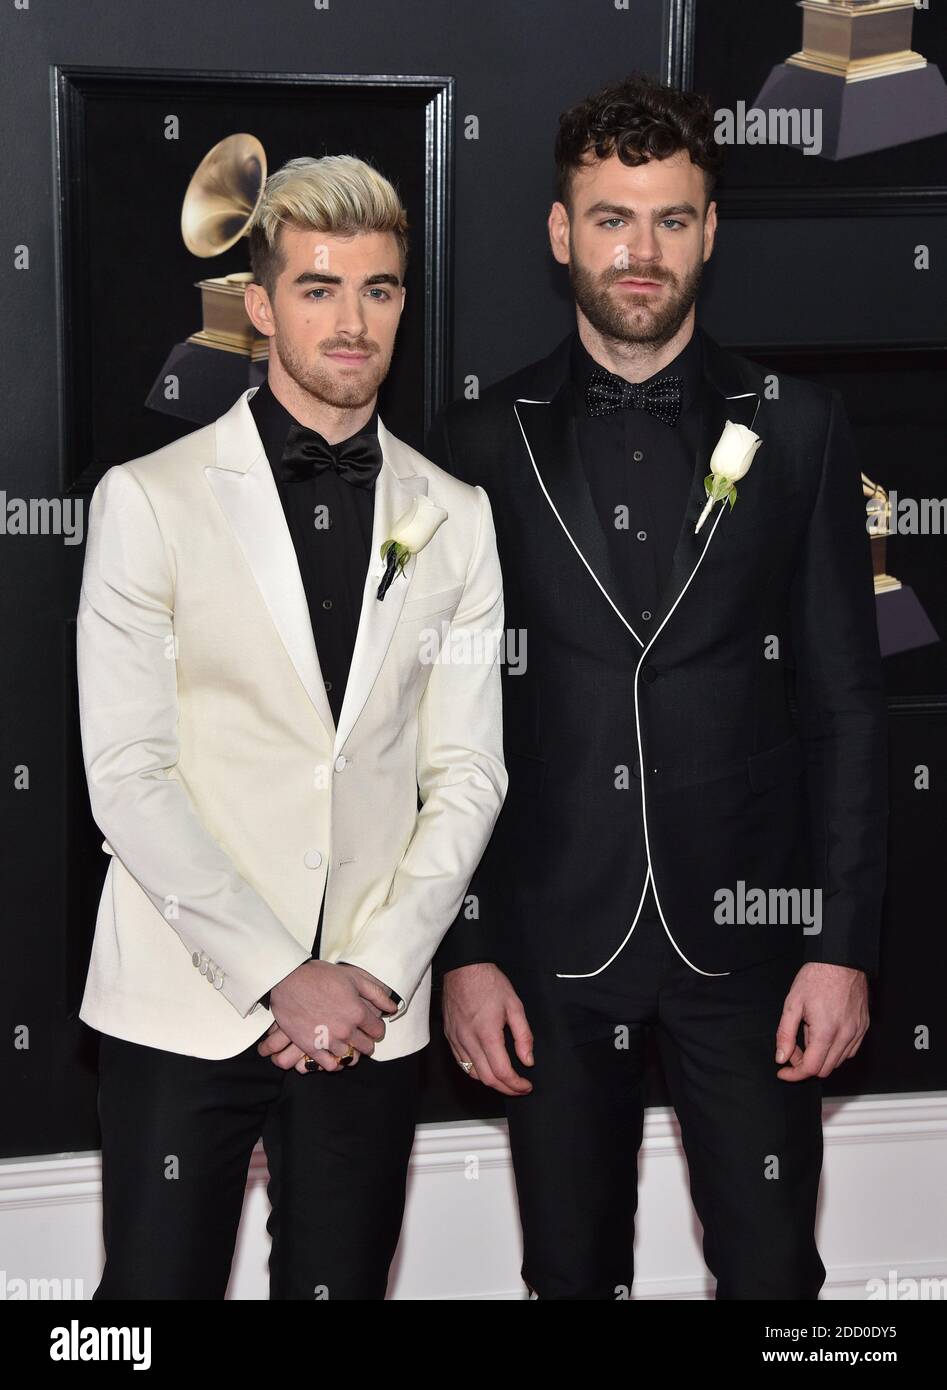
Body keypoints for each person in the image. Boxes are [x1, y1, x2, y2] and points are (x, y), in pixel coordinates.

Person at [429, 74, 887, 1300]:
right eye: (612, 217)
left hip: (749, 951)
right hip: (544, 951)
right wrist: (463, 948)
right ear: (559, 230)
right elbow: (435, 719)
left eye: (670, 219)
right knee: (567, 1274)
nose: (640, 252)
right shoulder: (475, 443)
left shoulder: (796, 428)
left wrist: (840, 946)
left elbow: (846, 703)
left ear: (709, 230)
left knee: (774, 1276)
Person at [76, 153, 506, 1299]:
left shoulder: (455, 520)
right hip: (181, 1002)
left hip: (371, 1016)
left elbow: (467, 773)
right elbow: (127, 777)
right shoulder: (147, 500)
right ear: (260, 304)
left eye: (377, 288)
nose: (352, 319)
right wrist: (281, 977)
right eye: (318, 287)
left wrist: (366, 970)